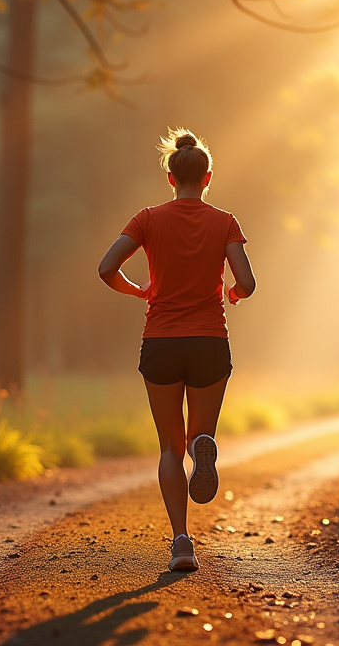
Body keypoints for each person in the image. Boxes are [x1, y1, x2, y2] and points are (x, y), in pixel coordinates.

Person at [97, 128, 256, 572]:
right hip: (209, 340)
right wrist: (235, 295)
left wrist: (138, 291)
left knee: (169, 447)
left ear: (171, 177)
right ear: (208, 178)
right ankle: (203, 444)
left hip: (162, 340)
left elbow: (107, 267)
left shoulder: (147, 219)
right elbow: (247, 282)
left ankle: (181, 542)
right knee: (195, 436)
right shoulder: (225, 221)